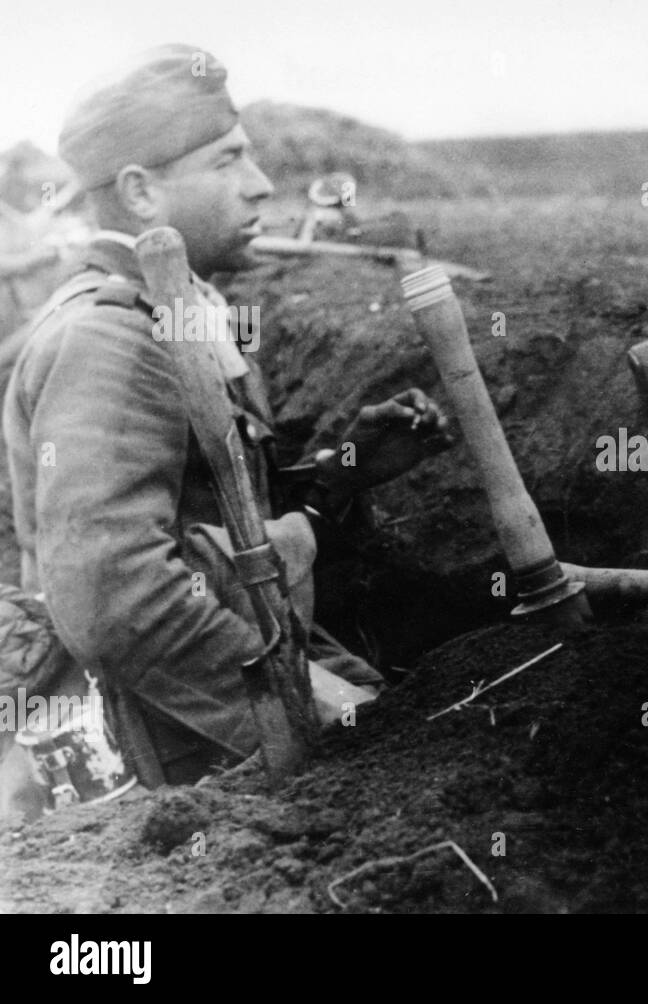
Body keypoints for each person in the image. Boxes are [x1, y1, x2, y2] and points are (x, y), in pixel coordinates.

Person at [0, 43, 452, 813]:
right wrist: (305, 709)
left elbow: (212, 524)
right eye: (228, 161)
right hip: (161, 759)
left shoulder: (185, 311)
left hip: (211, 707)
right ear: (142, 193)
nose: (262, 185)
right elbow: (116, 597)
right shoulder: (111, 342)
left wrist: (338, 476)